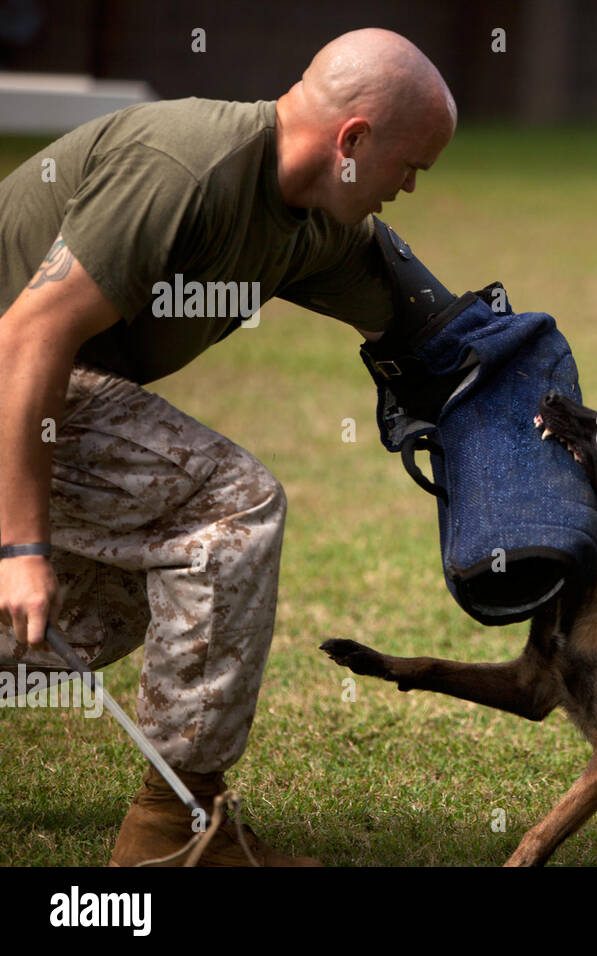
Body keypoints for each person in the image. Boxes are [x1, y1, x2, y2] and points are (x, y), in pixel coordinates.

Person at [0, 28, 457, 866]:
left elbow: (438, 335)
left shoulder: (316, 221)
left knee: (140, 598)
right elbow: (26, 336)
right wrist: (20, 545)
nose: (410, 187)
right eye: (409, 165)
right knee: (229, 504)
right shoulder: (186, 166)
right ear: (353, 141)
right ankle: (175, 836)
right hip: (14, 373)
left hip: (44, 395)